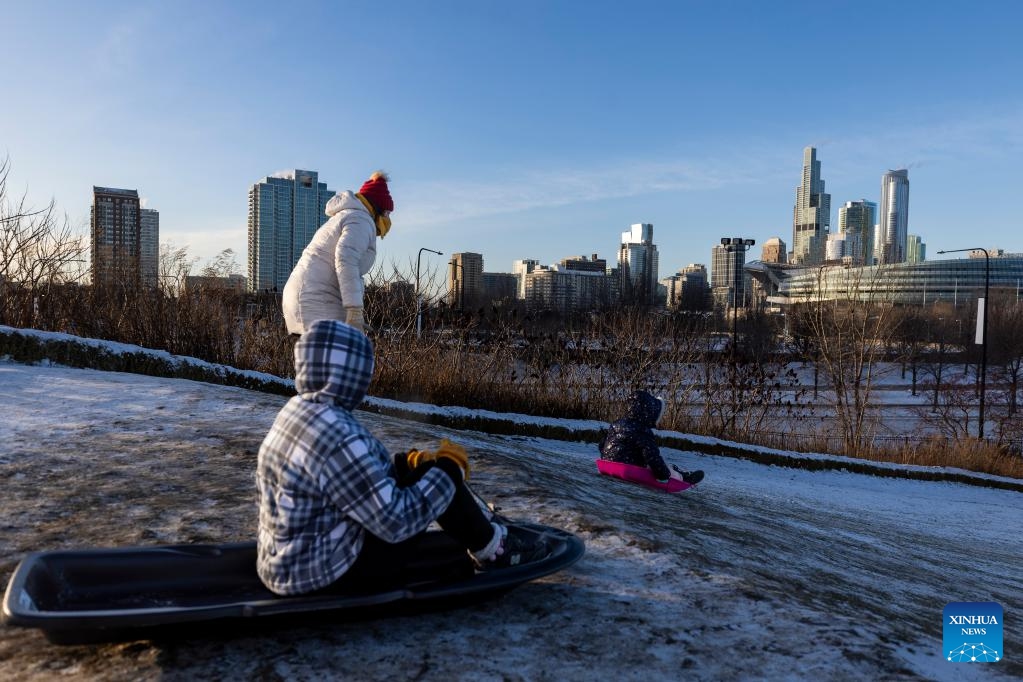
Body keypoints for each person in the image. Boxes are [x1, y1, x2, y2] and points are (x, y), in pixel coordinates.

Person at [256, 318, 548, 596]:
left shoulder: (298, 411)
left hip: (285, 560)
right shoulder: (335, 433)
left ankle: (483, 533)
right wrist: (449, 470)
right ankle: (494, 551)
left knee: (424, 475)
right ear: (350, 376)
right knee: (440, 499)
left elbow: (349, 481)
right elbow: (395, 522)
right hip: (320, 573)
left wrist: (402, 467)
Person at [282, 170, 394, 336]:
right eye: (387, 213)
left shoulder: (346, 216)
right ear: (377, 208)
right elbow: (346, 260)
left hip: (304, 298)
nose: (388, 219)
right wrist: (354, 310)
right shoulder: (361, 220)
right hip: (316, 301)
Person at [598, 390, 704, 485]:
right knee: (664, 467)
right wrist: (664, 475)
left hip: (606, 464)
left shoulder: (616, 423)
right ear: (649, 414)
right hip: (628, 468)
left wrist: (608, 456)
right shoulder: (643, 431)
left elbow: (602, 444)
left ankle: (678, 472)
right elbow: (652, 457)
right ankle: (683, 478)